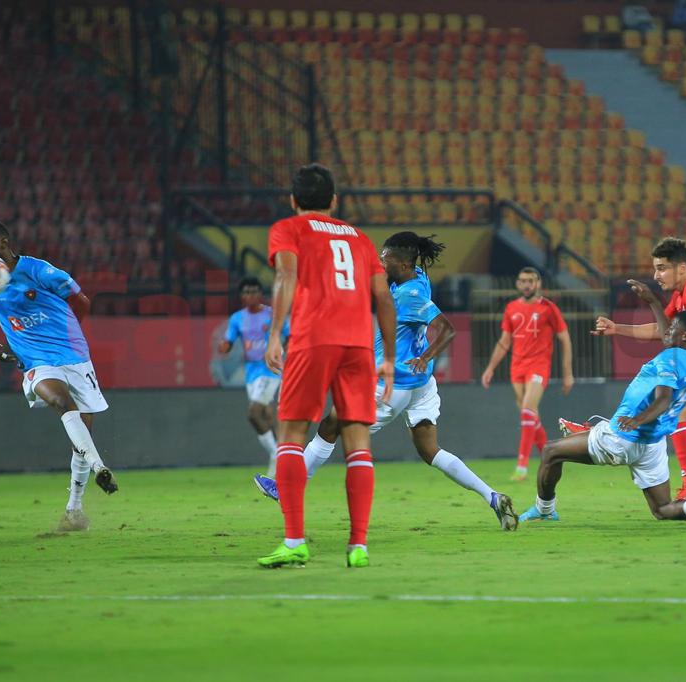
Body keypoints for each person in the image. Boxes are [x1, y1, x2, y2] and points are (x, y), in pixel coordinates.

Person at [254, 232, 518, 530]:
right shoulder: (415, 277)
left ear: (403, 264)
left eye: (385, 259)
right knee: (430, 450)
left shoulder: (410, 295)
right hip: (422, 386)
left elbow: (447, 329)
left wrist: (425, 356)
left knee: (331, 425)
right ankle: (492, 496)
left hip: (394, 385)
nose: (380, 263)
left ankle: (287, 487)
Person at [256, 163, 397, 569]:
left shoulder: (288, 229)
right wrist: (388, 358)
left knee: (292, 433)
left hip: (313, 337)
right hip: (358, 344)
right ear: (334, 201)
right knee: (358, 439)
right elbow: (383, 298)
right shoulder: (360, 239)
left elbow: (285, 275)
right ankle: (358, 546)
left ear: (293, 200)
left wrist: (274, 333)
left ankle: (294, 541)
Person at [0, 221, 118, 533]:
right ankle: (100, 466)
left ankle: (74, 510)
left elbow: (81, 301)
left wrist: (68, 332)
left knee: (81, 437)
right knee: (60, 401)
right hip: (35, 361)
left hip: (74, 356)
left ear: (3, 242)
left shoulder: (39, 271)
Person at [519, 312, 686, 523]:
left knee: (550, 452)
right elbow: (667, 343)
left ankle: (544, 510)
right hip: (652, 445)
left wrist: (637, 420)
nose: (667, 330)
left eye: (673, 327)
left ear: (685, 336)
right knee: (662, 509)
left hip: (623, 438)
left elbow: (663, 399)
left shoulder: (670, 358)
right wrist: (652, 301)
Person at [581, 238, 686, 501]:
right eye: (655, 269)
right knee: (658, 403)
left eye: (662, 268)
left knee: (675, 412)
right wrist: (617, 328)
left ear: (682, 268)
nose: (656, 275)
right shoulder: (681, 295)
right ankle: (601, 433)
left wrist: (685, 369)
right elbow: (663, 330)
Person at [481, 267, 574, 481]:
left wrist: (568, 373)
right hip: (517, 367)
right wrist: (491, 367)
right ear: (517, 284)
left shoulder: (548, 308)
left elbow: (565, 338)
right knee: (531, 417)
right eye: (523, 281)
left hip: (539, 366)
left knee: (527, 410)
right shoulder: (511, 308)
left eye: (531, 281)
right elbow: (505, 341)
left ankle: (521, 466)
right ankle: (551, 459)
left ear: (538, 283)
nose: (527, 285)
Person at [219, 277, 289, 477]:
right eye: (246, 292)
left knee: (254, 413)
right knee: (266, 414)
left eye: (254, 291)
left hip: (270, 369)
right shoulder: (237, 318)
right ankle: (282, 457)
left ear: (260, 294)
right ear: (242, 296)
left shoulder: (272, 315)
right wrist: (225, 346)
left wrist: (283, 351)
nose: (250, 295)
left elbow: (290, 333)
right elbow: (228, 341)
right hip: (251, 373)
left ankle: (276, 454)